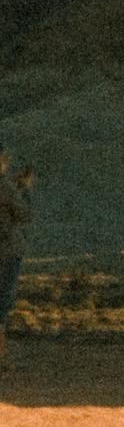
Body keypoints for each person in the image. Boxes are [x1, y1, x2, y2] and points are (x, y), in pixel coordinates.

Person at [0, 148, 33, 361]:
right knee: (3, 303)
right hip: (7, 251)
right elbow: (24, 215)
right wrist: (25, 190)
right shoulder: (6, 188)